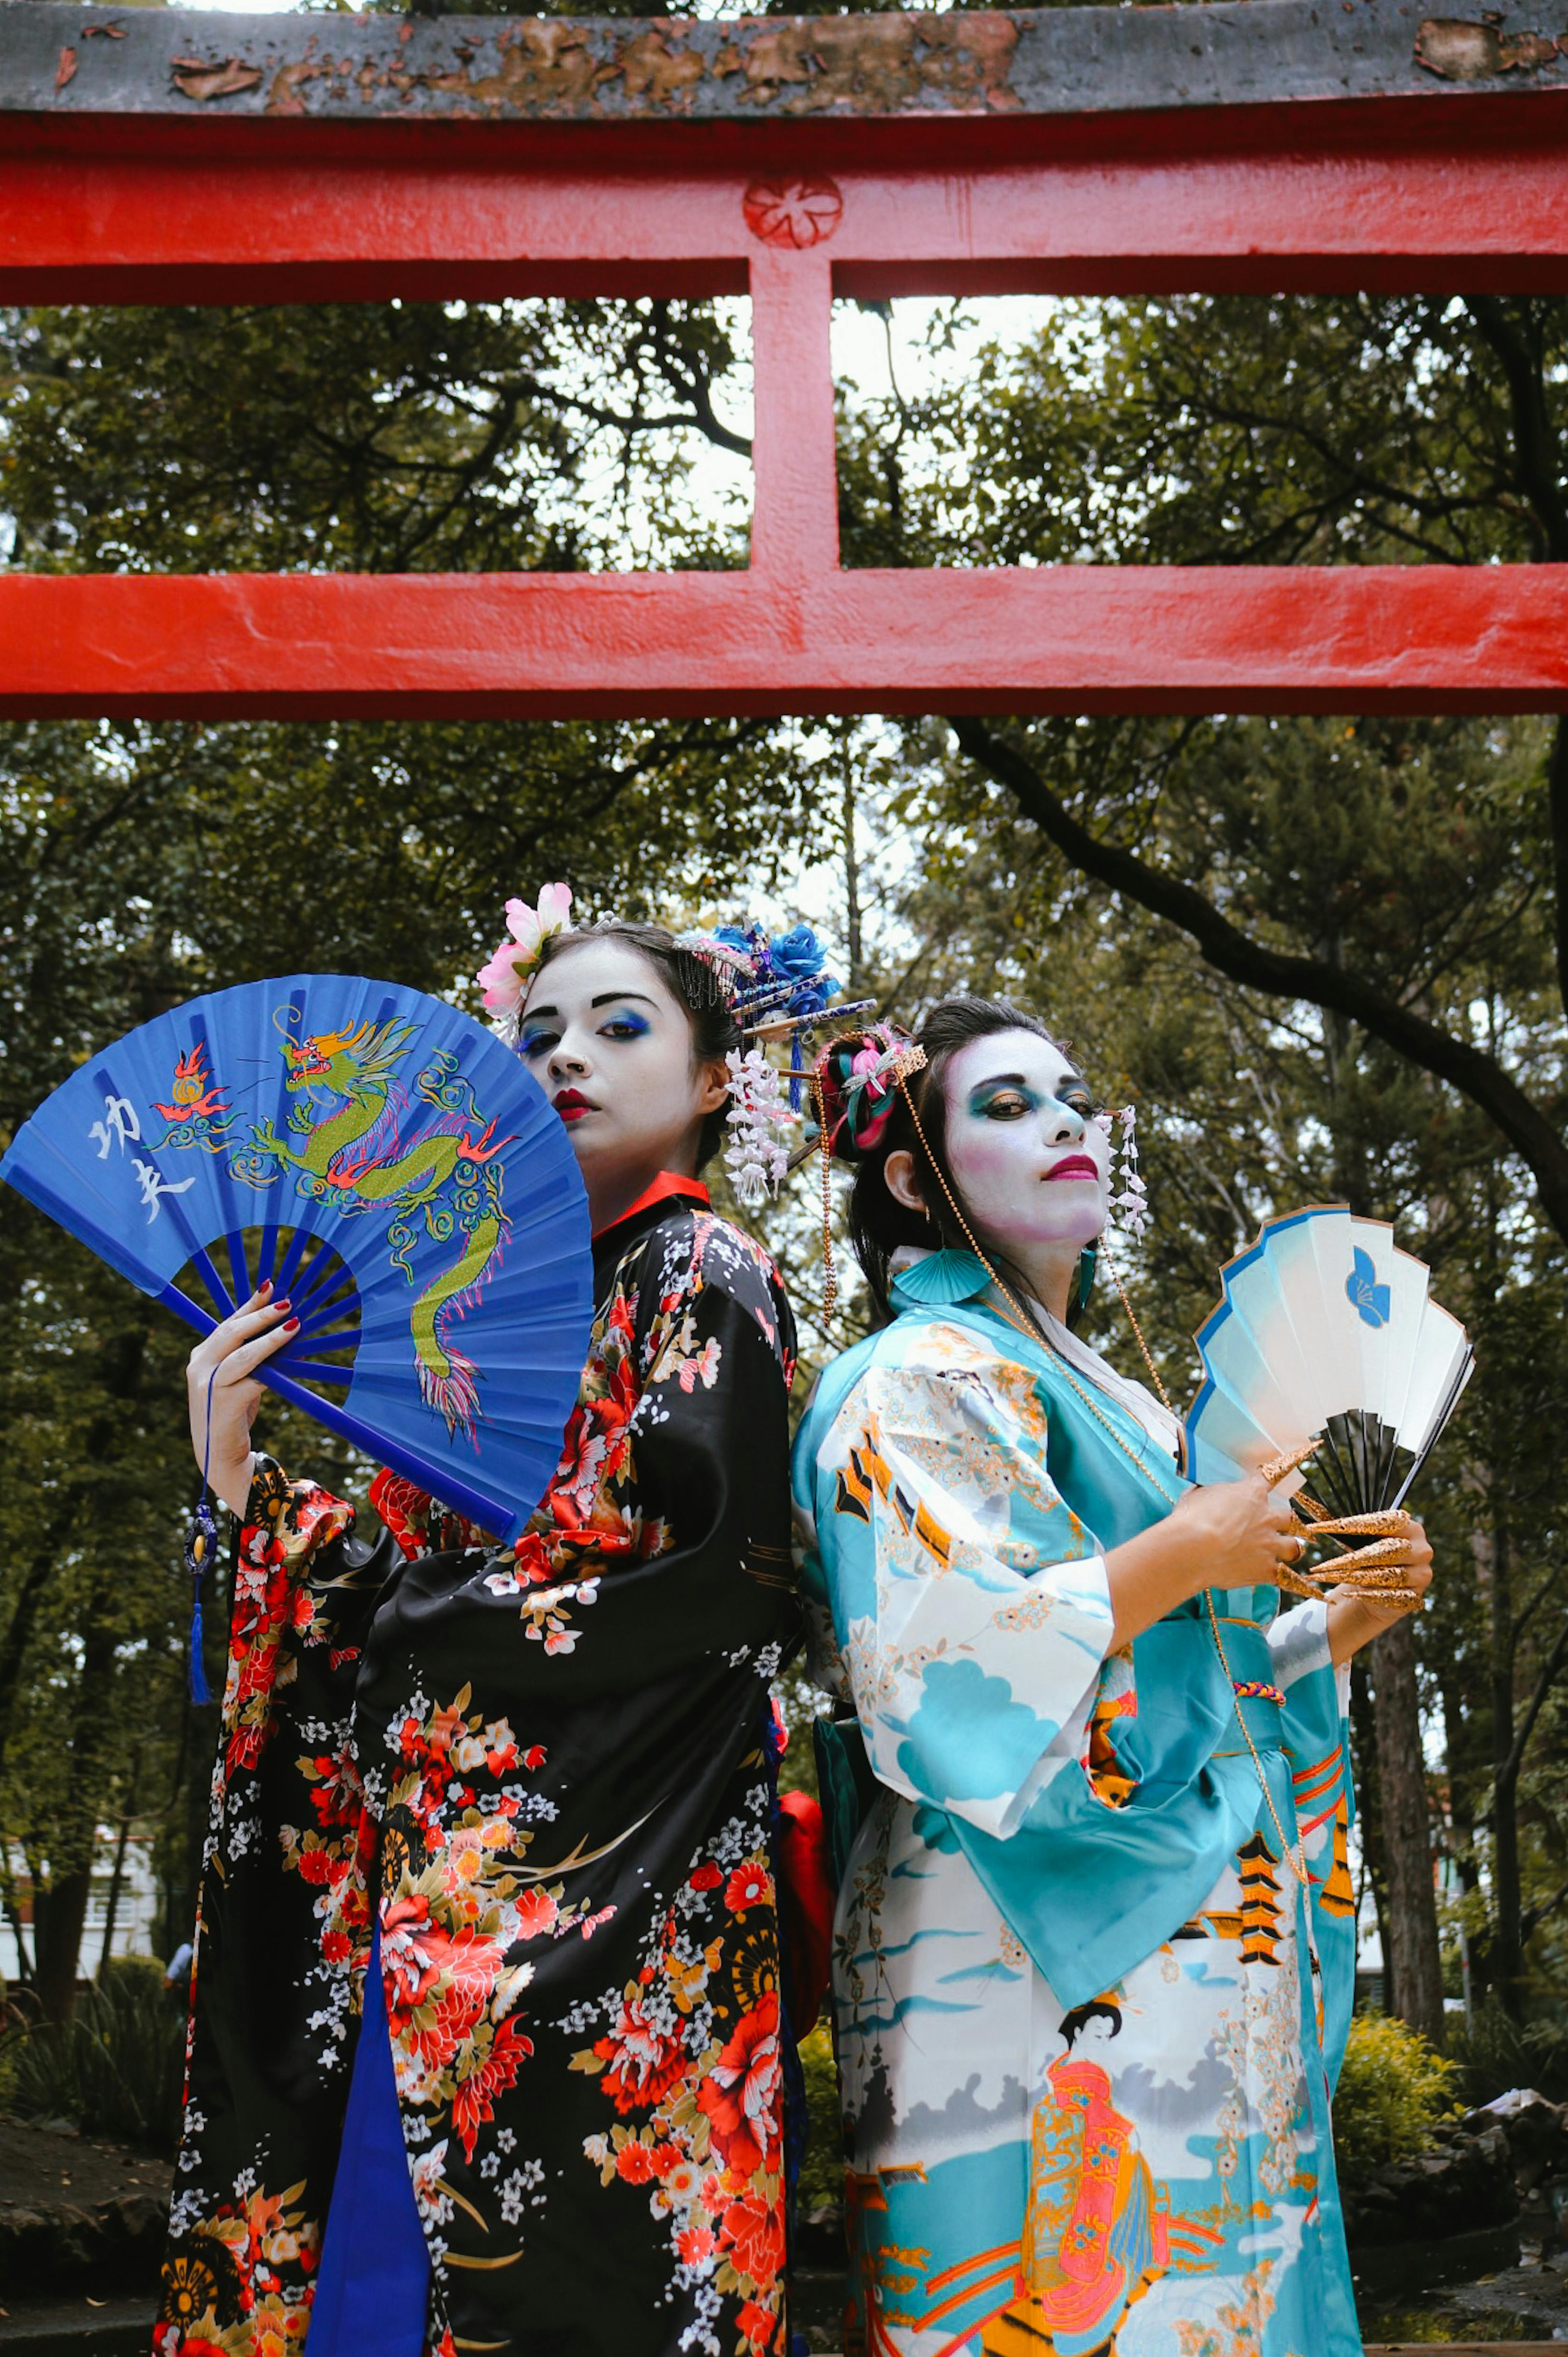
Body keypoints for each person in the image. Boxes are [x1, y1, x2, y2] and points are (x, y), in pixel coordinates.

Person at [156, 898, 813, 2357]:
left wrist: (419, 1619)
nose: (565, 1056)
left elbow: (718, 1585)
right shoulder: (483, 1307)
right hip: (429, 1886)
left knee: (591, 2271)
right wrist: (236, 1473)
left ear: (715, 1081)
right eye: (538, 1034)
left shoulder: (702, 1275)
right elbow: (373, 1582)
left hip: (621, 1892)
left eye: (619, 1026)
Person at [792, 997, 1434, 2357]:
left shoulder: (1119, 1397)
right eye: (1006, 1105)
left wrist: (1335, 1627)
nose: (1065, 1121)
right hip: (1004, 1937)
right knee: (1053, 2300)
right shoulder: (915, 1375)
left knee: (1204, 2301)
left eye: (1074, 1096)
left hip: (1187, 1925)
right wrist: (1190, 1548)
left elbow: (1182, 1693)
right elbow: (941, 1680)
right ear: (914, 1178)